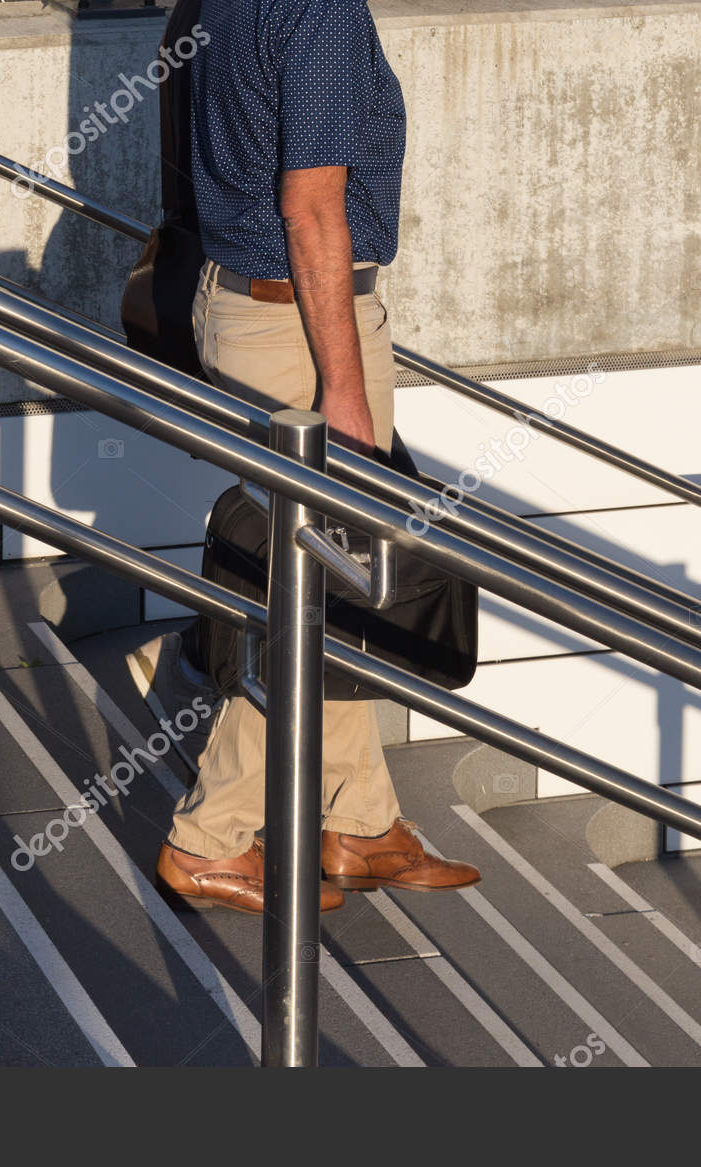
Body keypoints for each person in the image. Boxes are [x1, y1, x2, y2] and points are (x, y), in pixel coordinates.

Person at [135, 0, 481, 915]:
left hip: (243, 302)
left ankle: (360, 824)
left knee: (339, 573)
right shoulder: (321, 8)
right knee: (311, 591)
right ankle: (207, 839)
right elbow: (313, 208)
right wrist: (345, 381)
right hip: (304, 328)